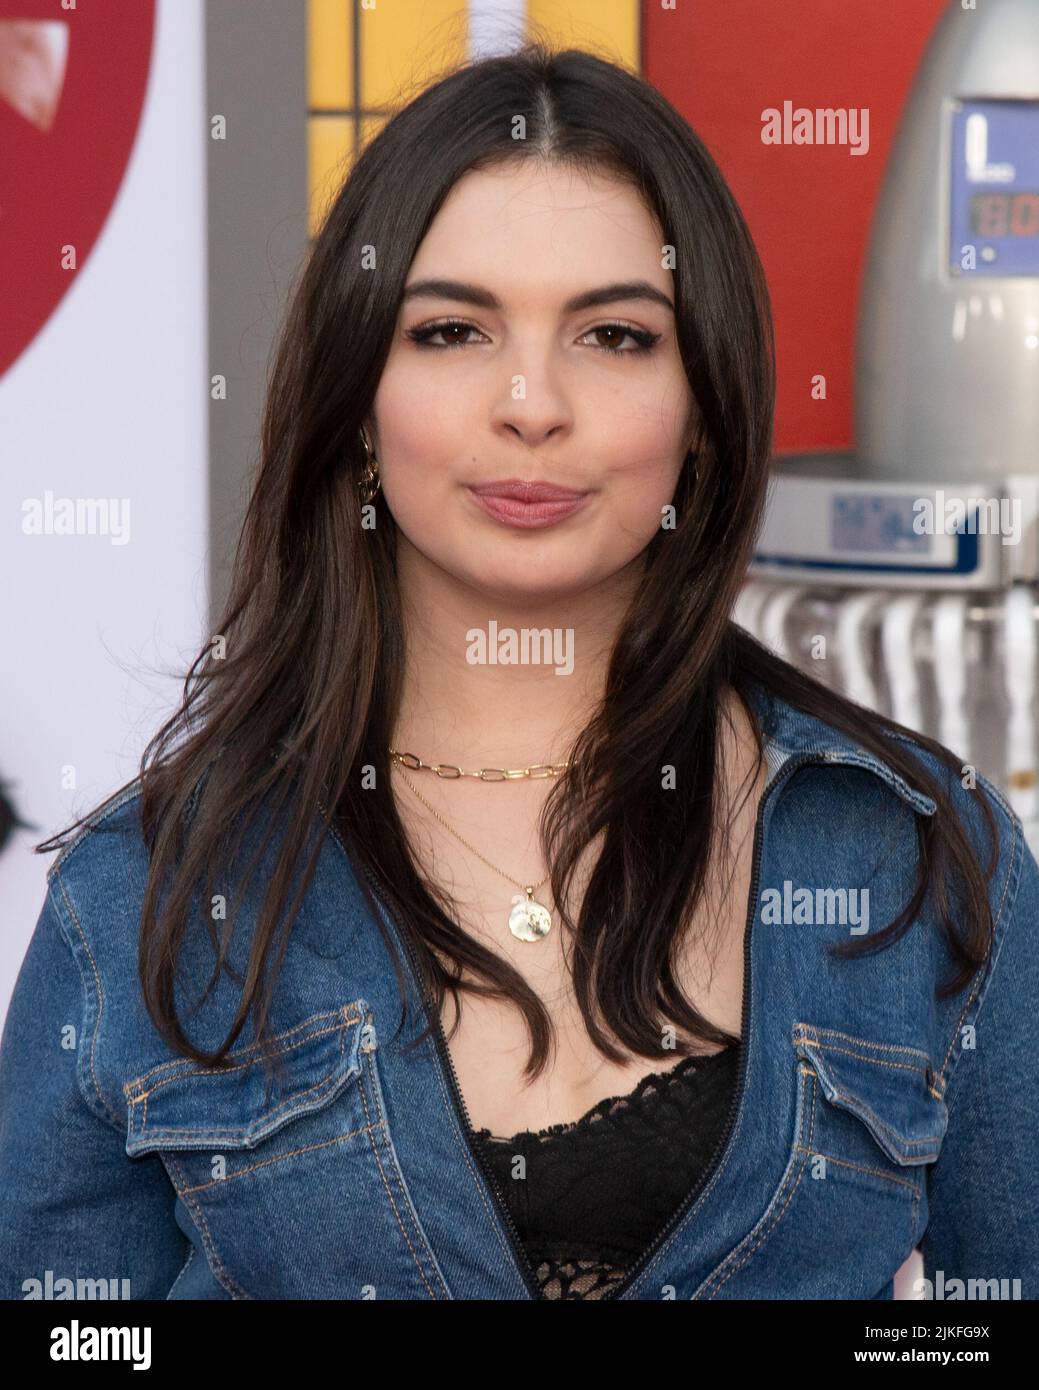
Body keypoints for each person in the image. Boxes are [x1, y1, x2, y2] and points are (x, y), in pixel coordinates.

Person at [1, 43, 1036, 1303]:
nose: (531, 402)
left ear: (701, 407)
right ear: (359, 399)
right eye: (450, 330)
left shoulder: (926, 855)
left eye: (611, 333)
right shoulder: (144, 893)